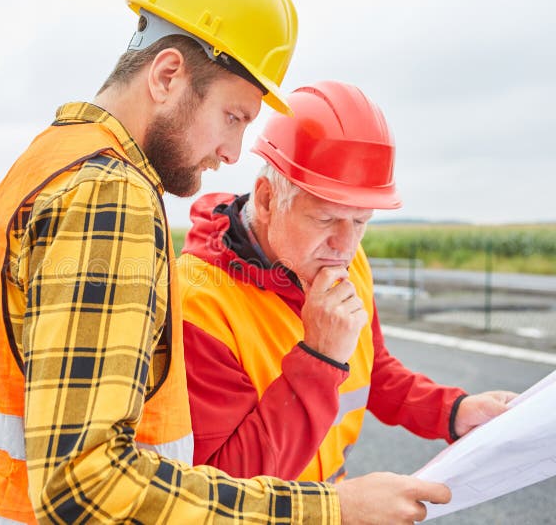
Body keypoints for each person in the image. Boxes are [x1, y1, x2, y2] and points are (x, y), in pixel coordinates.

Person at [0, 0, 452, 522]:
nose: (232, 152)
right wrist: (331, 510)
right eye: (233, 116)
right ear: (167, 75)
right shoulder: (109, 195)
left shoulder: (46, 160)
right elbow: (85, 485)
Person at [178, 80, 518, 487]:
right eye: (325, 219)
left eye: (361, 222)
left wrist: (454, 410)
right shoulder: (199, 303)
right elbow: (222, 489)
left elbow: (375, 370)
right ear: (267, 199)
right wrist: (320, 358)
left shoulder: (347, 260)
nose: (345, 245)